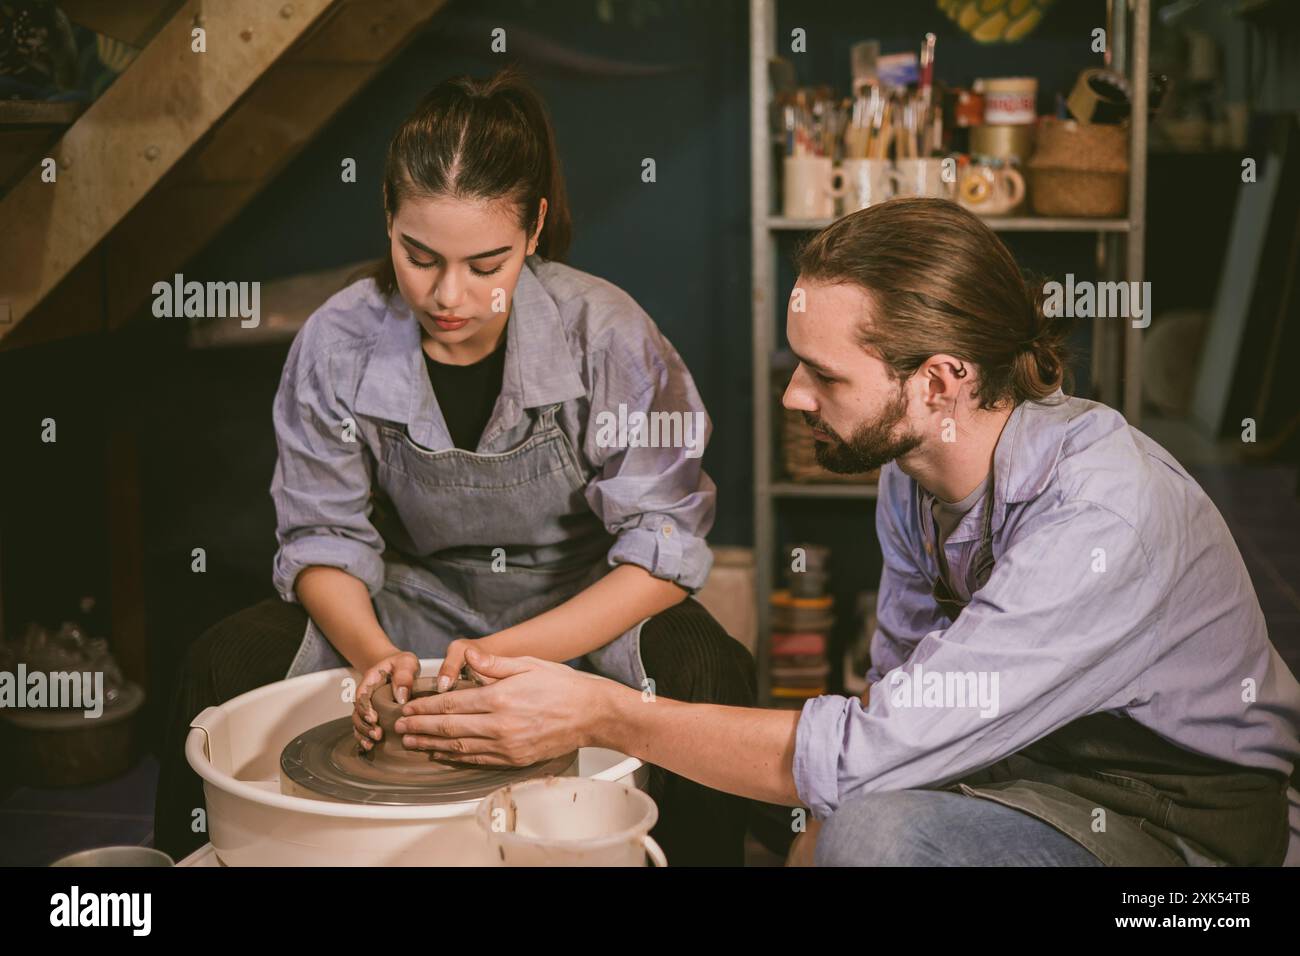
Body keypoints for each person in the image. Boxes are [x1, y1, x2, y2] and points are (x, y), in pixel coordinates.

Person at [399, 198, 1300, 866]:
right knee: (848, 828)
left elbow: (867, 759)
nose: (793, 394)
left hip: (1194, 857)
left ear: (940, 380)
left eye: (823, 375)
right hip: (1035, 782)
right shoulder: (916, 475)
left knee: (881, 843)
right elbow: (895, 714)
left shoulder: (1102, 519)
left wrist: (609, 712)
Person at [153, 68, 754, 865]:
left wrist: (515, 659)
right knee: (219, 663)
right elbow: (322, 538)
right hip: (408, 608)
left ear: (535, 229)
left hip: (579, 607)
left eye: (486, 264)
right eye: (420, 256)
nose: (449, 295)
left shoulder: (604, 334)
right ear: (389, 222)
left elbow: (662, 553)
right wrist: (376, 664)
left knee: (711, 667)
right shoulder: (339, 340)